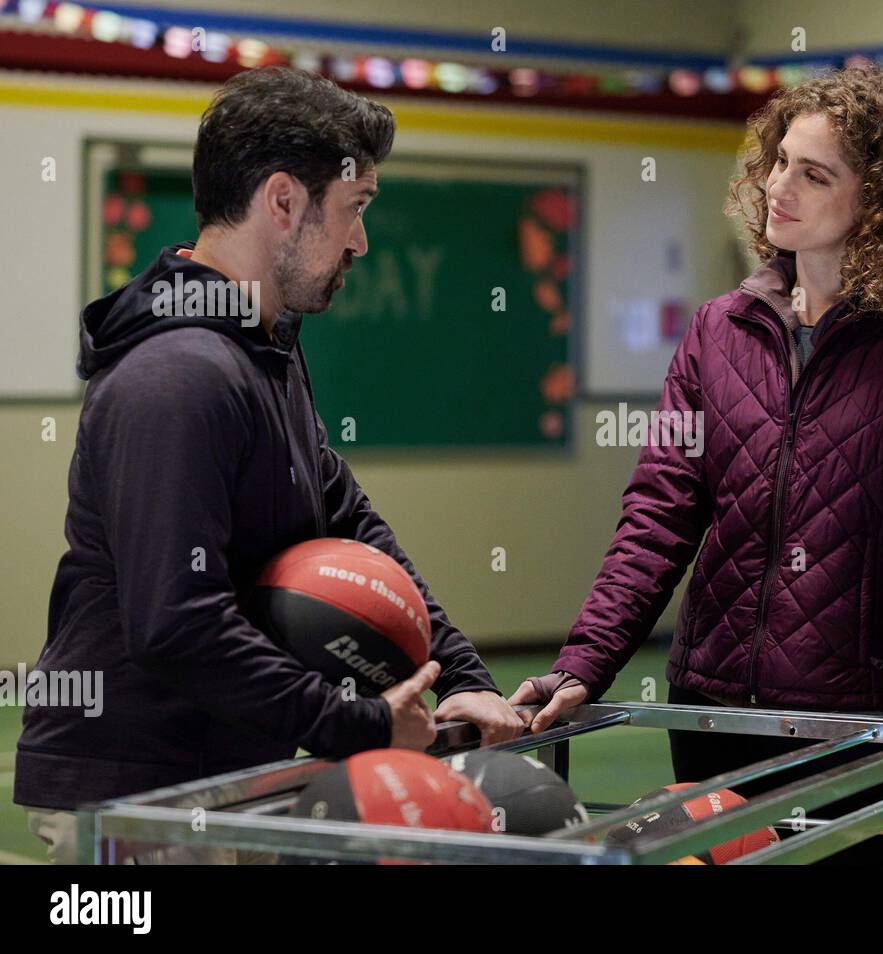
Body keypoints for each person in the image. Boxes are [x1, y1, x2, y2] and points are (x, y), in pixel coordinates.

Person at [17, 66, 524, 864]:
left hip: (224, 779)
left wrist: (459, 672)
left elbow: (349, 519)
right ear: (283, 201)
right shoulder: (176, 375)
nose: (361, 240)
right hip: (135, 798)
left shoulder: (263, 349)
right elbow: (176, 622)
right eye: (355, 209)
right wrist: (356, 723)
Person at [512, 66, 883, 864]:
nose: (780, 186)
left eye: (814, 174)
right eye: (780, 161)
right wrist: (584, 663)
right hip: (712, 709)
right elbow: (659, 516)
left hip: (857, 718)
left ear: (881, 204)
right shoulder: (720, 329)